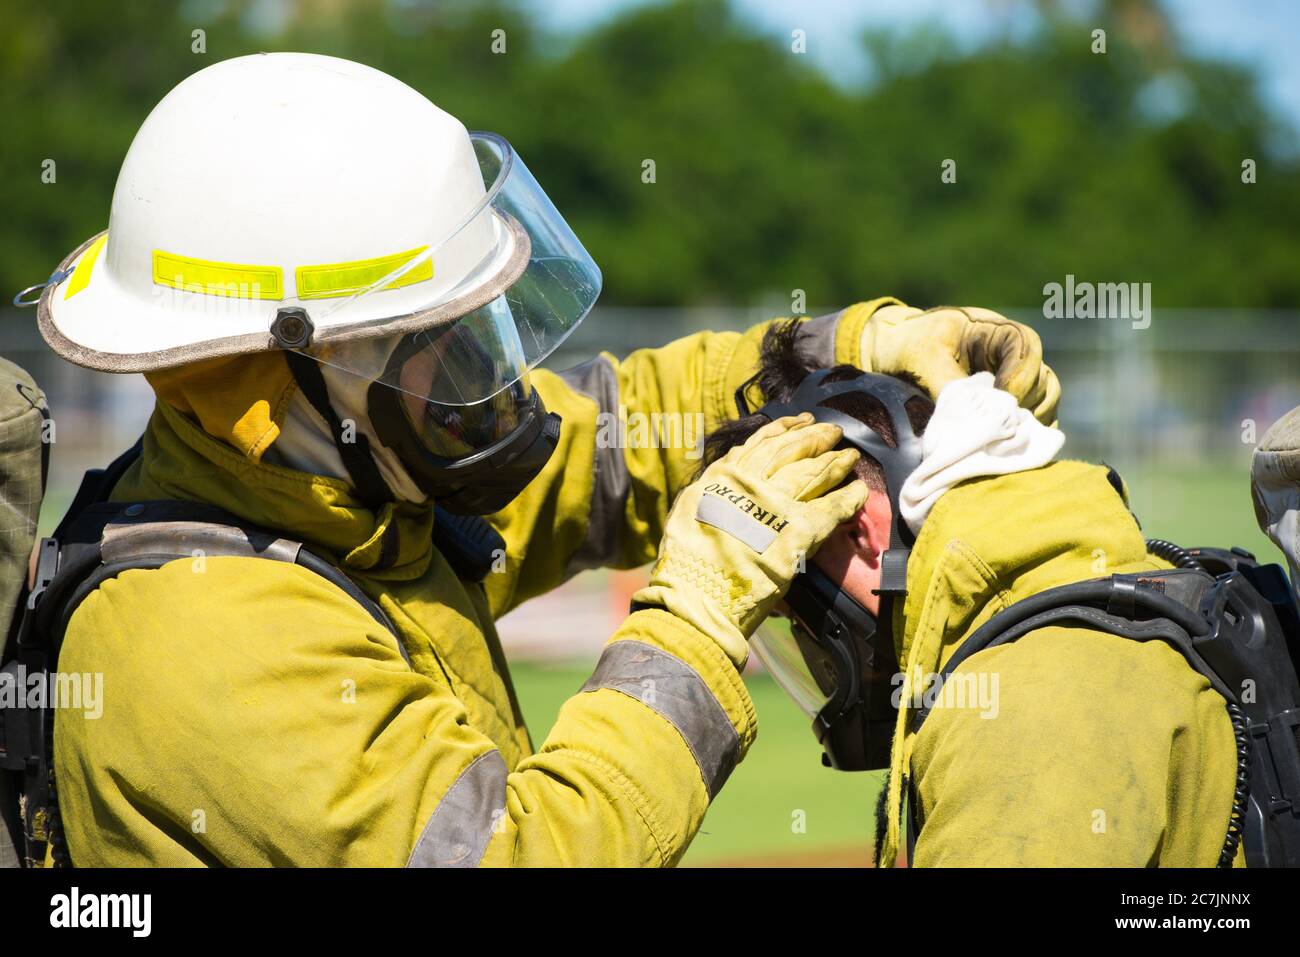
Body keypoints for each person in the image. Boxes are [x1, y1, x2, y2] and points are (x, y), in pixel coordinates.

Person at [24, 53, 1058, 867]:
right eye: (452, 350)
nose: (496, 386)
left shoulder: (349, 493)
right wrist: (693, 618)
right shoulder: (203, 639)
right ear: (290, 375)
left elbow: (611, 443)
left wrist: (846, 347)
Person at [699, 319, 1251, 867]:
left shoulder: (1024, 715)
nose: (809, 639)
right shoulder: (1077, 603)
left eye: (800, 616)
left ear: (856, 528)